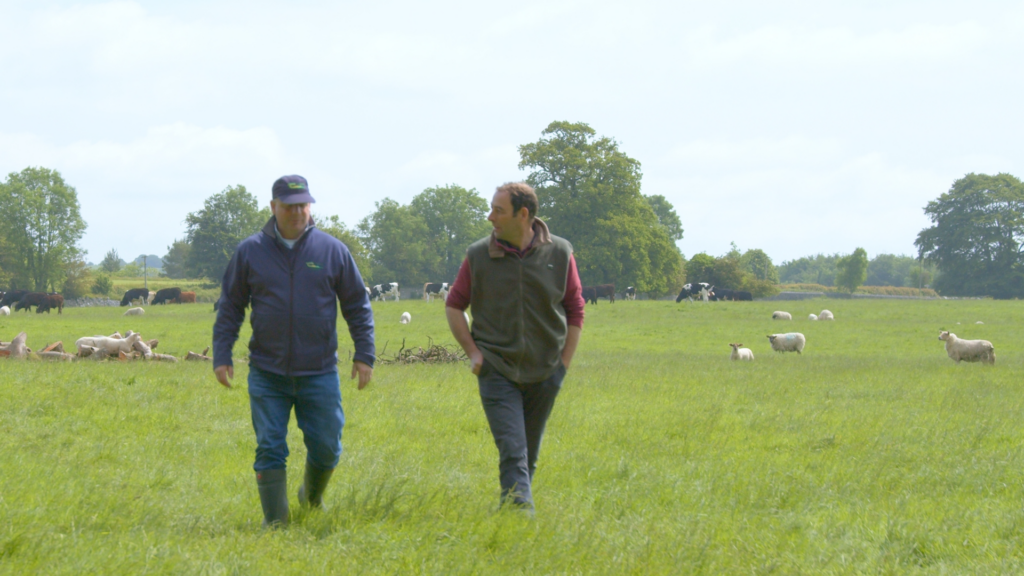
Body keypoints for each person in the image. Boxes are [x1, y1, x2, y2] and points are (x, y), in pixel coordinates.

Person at [213, 175, 375, 528]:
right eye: (289, 205)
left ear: (310, 206)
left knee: (328, 447)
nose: (297, 212)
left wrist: (365, 353)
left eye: (303, 204)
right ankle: (276, 524)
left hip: (319, 372)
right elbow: (230, 307)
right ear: (273, 207)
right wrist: (222, 354)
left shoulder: (332, 251)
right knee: (270, 445)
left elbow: (357, 305)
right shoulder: (250, 251)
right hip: (267, 372)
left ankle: (311, 496)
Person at [445, 182, 584, 511]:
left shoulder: (561, 252)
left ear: (523, 215)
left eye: (498, 210)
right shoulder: (478, 254)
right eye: (491, 208)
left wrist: (563, 364)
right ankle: (522, 517)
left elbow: (575, 309)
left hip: (546, 371)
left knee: (528, 454)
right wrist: (474, 352)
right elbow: (454, 306)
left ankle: (510, 515)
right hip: (497, 368)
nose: (490, 216)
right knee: (513, 448)